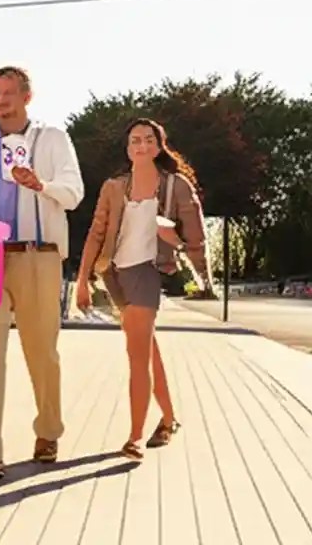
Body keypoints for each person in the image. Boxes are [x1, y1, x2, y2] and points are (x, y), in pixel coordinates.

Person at [0, 65, 84, 478]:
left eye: (7, 93)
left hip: (39, 255)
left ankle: (48, 431)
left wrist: (40, 185)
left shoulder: (53, 138)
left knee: (41, 351)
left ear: (27, 97)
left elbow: (75, 194)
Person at [75, 118, 211, 460]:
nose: (142, 146)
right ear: (128, 148)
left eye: (149, 140)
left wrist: (179, 247)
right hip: (114, 273)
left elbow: (194, 240)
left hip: (147, 272)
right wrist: (83, 280)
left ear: (159, 145)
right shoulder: (113, 187)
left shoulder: (176, 187)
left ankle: (134, 437)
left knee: (136, 356)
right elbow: (96, 233)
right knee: (147, 349)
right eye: (135, 140)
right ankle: (169, 419)